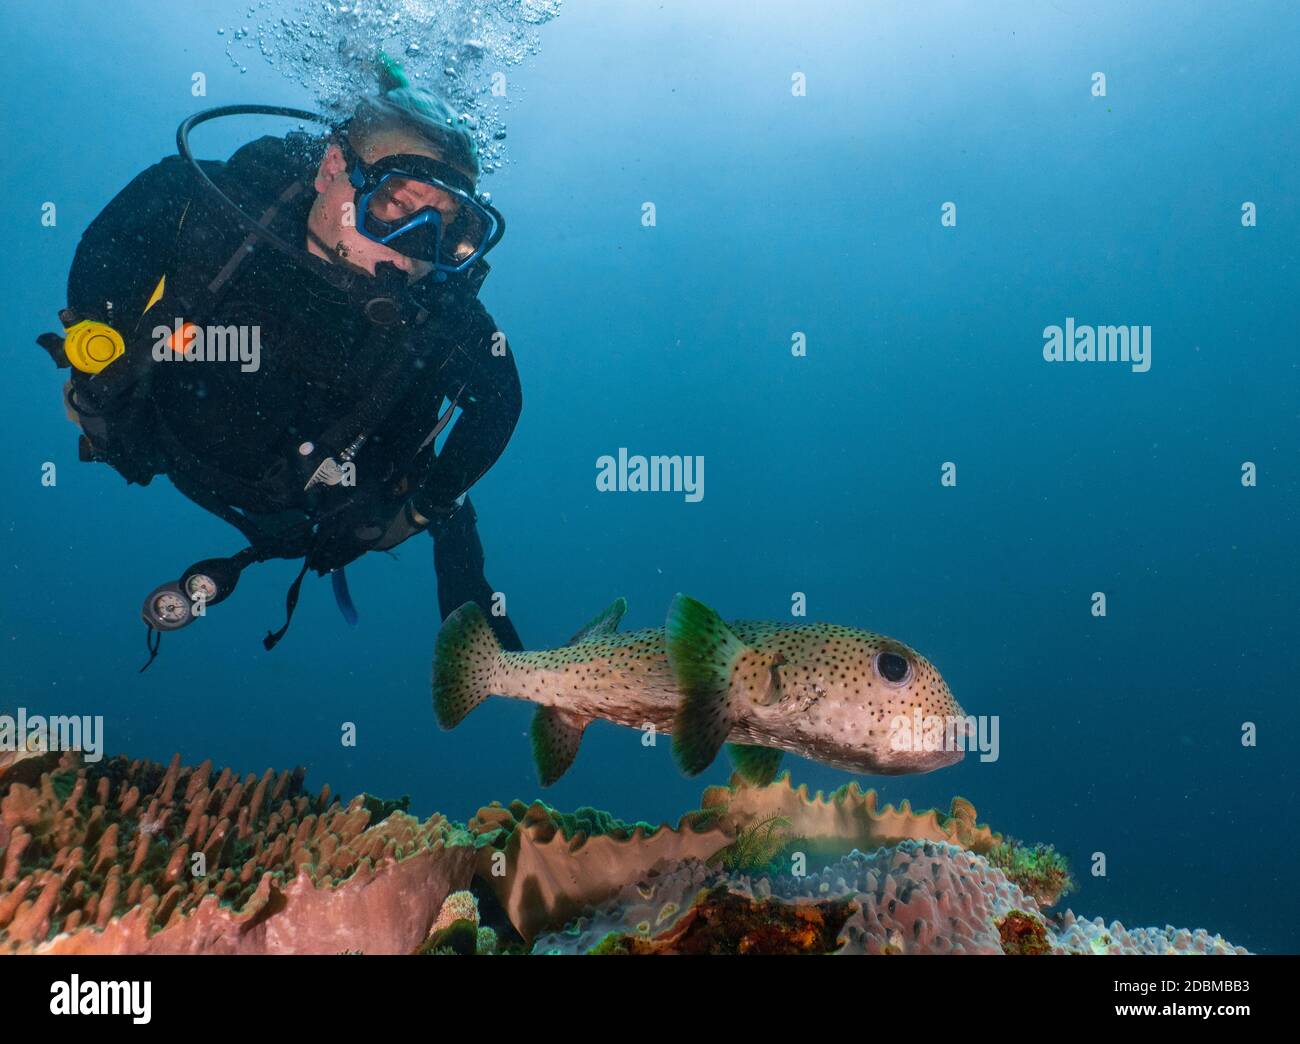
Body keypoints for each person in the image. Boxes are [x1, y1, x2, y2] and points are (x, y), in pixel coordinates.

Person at [37, 56, 524, 663]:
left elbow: (499, 402)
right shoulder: (213, 206)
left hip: (309, 504)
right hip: (163, 433)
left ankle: (477, 615)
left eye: (447, 225)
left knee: (439, 502)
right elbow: (119, 240)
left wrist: (420, 511)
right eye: (396, 203)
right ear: (331, 170)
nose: (415, 248)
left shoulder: (439, 314)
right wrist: (99, 350)